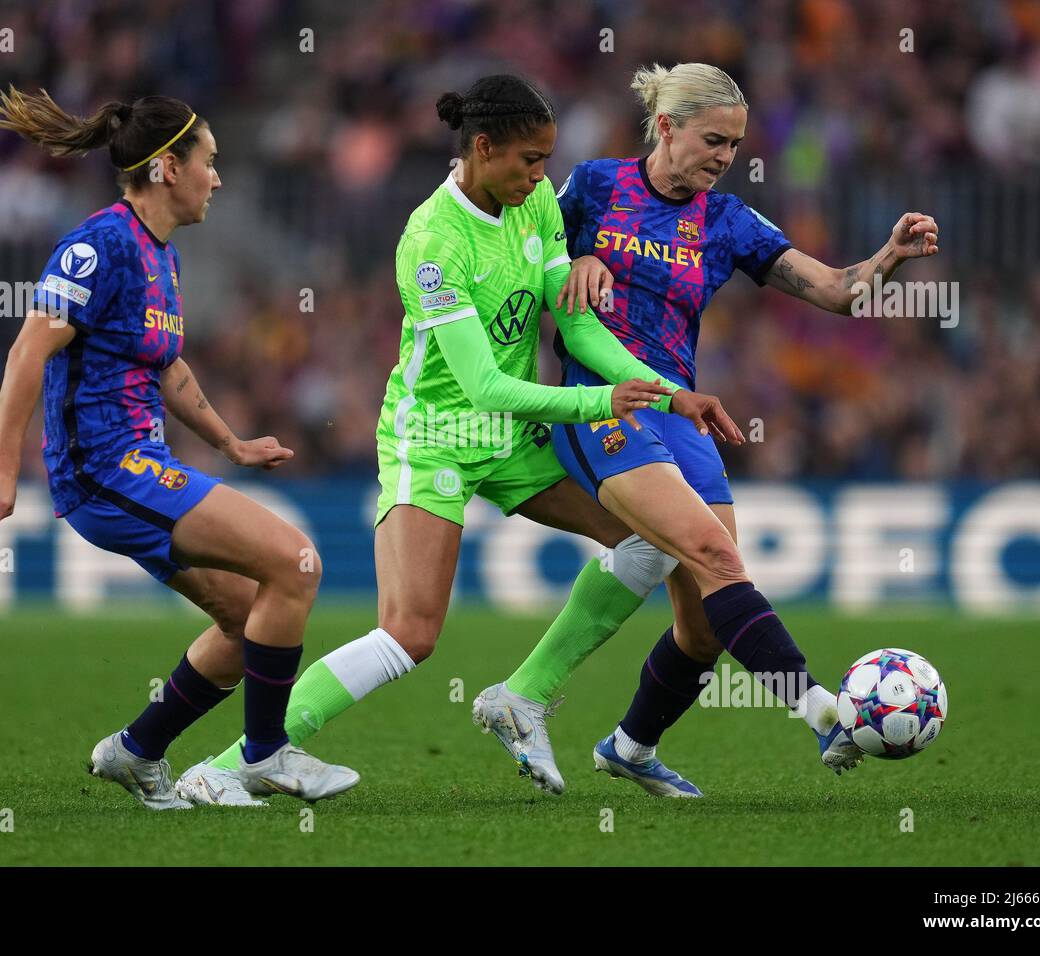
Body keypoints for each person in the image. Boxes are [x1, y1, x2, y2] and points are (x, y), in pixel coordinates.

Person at [175, 74, 743, 805]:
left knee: (654, 538)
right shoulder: (432, 240)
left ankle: (522, 697)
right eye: (529, 161)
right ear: (482, 149)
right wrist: (602, 399)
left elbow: (572, 323)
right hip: (435, 436)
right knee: (411, 633)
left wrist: (666, 390)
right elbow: (482, 386)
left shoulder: (534, 201)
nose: (542, 178)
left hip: (510, 439)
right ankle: (228, 765)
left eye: (546, 161)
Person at [480, 62, 941, 797]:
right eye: (714, 140)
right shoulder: (595, 186)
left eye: (734, 145)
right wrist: (580, 257)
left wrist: (888, 258)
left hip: (680, 413)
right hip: (603, 403)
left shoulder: (727, 222)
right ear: (666, 127)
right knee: (710, 554)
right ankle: (823, 712)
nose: (725, 157)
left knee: (701, 626)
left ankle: (629, 746)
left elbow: (831, 289)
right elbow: (520, 258)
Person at [0, 87, 358, 809]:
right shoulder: (99, 244)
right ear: (168, 168)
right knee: (297, 563)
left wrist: (230, 442)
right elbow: (26, 351)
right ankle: (266, 755)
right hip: (105, 471)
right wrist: (1, 468)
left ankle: (137, 752)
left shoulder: (159, 255)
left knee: (248, 618)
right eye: (210, 161)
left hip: (146, 467)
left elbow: (166, 367)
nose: (219, 177)